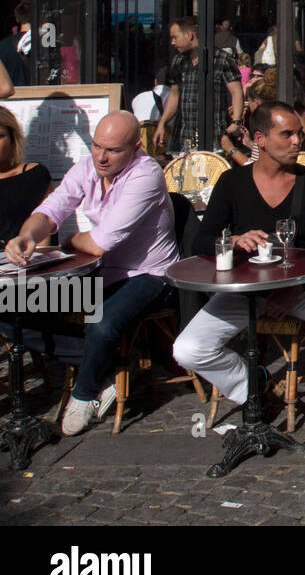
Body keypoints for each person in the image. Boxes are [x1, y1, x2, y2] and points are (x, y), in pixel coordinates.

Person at [173, 101, 305, 451]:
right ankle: (251, 385)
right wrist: (230, 239)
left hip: (300, 290)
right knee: (188, 348)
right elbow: (200, 240)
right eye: (287, 134)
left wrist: (293, 293)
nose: (297, 142)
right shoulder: (232, 182)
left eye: (299, 134)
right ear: (260, 139)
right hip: (246, 292)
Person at [2, 112, 177, 435]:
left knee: (102, 322)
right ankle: (113, 363)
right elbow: (52, 209)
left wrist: (69, 239)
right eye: (96, 146)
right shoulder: (88, 167)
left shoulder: (146, 174)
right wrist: (27, 235)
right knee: (8, 306)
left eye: (112, 150)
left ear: (136, 148)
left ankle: (84, 395)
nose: (101, 156)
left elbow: (99, 243)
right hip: (100, 274)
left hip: (149, 274)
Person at [153, 16, 243, 153]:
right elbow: (174, 95)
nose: (172, 42)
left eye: (175, 37)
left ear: (189, 35)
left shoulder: (221, 58)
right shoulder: (178, 61)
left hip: (214, 135)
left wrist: (236, 121)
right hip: (185, 136)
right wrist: (162, 123)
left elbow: (236, 91)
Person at [0, 108, 51, 248]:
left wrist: (37, 267)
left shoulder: (34, 175)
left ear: (12, 138)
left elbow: (44, 228)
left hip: (22, 265)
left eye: (0, 136)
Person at [0, 2, 30, 87]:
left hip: (12, 97)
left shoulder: (3, 46)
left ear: (17, 19)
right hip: (38, 94)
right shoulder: (45, 44)